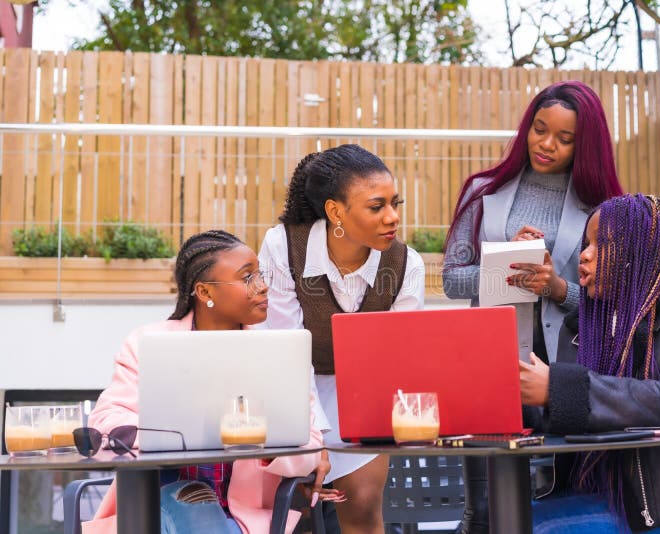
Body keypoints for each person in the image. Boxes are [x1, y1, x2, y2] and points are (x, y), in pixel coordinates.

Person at [442, 80, 623, 533]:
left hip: (565, 370)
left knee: (564, 503)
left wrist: (557, 287)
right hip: (489, 367)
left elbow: (610, 299)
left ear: (586, 146)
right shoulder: (483, 191)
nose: (547, 145)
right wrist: (507, 260)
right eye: (540, 130)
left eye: (565, 139)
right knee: (483, 511)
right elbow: (451, 280)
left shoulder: (601, 207)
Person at [519, 194, 660, 533]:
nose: (585, 253)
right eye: (586, 243)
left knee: (516, 525)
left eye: (602, 244)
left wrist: (557, 389)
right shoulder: (586, 327)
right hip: (596, 496)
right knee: (493, 517)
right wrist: (519, 400)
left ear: (642, 250)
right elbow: (573, 409)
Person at [83, 230, 324, 534]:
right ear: (206, 292)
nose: (263, 287)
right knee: (183, 500)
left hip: (238, 519)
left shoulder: (280, 354)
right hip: (156, 504)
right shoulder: (148, 344)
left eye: (260, 275)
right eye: (247, 277)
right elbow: (106, 422)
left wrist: (268, 446)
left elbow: (311, 444)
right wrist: (180, 434)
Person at [258, 144, 425, 533]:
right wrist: (313, 437)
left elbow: (394, 359)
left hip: (362, 391)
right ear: (335, 211)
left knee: (363, 508)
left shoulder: (406, 265)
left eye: (394, 203)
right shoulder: (283, 246)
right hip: (289, 385)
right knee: (289, 514)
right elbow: (287, 350)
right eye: (376, 206)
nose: (393, 217)